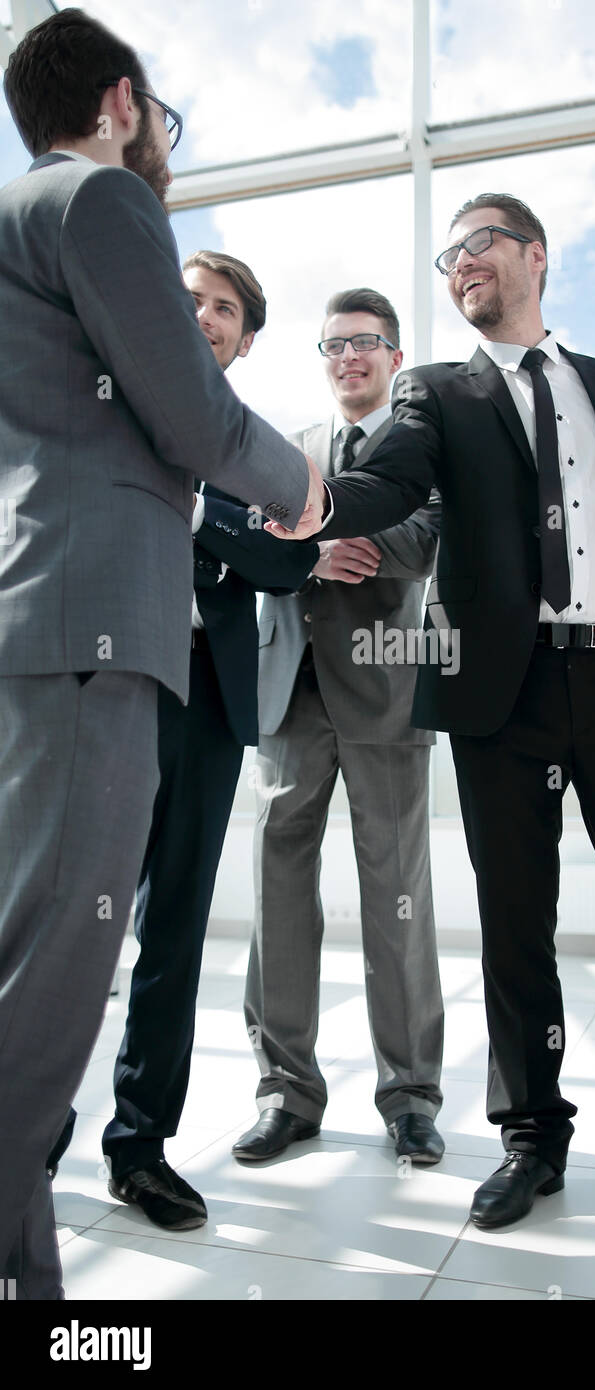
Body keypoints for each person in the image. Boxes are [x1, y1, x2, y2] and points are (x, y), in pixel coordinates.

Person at [272, 194, 595, 1241]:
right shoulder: (437, 391)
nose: (460, 265)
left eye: (479, 245)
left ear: (535, 256)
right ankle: (531, 1137)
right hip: (506, 693)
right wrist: (311, 503)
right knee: (516, 930)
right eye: (447, 255)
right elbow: (392, 478)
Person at [0, 9, 318, 1300]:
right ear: (122, 101)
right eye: (163, 124)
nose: (165, 151)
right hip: (98, 631)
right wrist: (299, 483)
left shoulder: (20, 215)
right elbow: (188, 408)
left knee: (39, 945)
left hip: (56, 623)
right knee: (55, 972)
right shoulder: (103, 201)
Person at [98, 251, 320, 1231]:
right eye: (188, 299)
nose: (204, 316)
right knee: (58, 922)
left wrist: (193, 505)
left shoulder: (247, 449)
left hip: (200, 705)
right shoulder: (96, 402)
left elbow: (289, 555)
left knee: (172, 932)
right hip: (94, 689)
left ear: (245, 336)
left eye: (224, 308)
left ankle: (139, 1148)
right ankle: (28, 1141)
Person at [233, 289, 445, 1167]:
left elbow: (432, 531)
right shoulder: (286, 450)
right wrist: (306, 550)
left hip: (386, 694)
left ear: (394, 357)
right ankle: (285, 1092)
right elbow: (250, 529)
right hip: (290, 690)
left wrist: (347, 536)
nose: (347, 356)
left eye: (365, 343)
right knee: (278, 894)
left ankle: (408, 1097)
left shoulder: (424, 445)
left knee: (396, 895)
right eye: (333, 345)